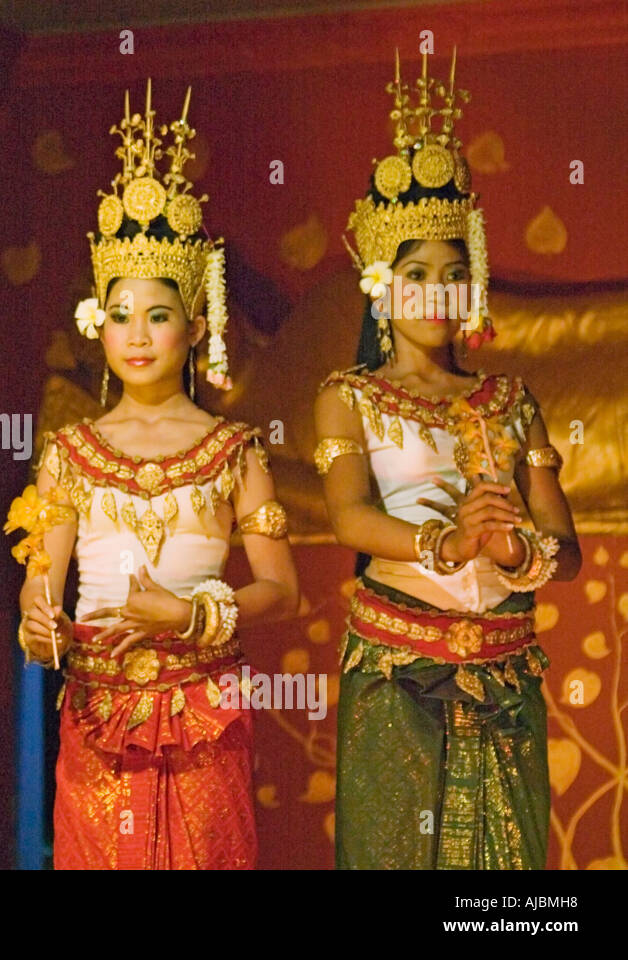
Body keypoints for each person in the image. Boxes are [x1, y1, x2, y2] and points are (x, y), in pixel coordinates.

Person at [18, 82, 299, 869]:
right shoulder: (68, 451)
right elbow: (44, 576)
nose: (136, 335)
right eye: (119, 315)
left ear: (197, 326)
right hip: (98, 704)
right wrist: (35, 621)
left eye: (158, 314)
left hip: (203, 701)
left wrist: (190, 616)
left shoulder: (234, 448)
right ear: (96, 325)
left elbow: (281, 589)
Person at [313, 51, 581, 869]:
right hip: (397, 667)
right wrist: (447, 544)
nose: (436, 293)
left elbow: (565, 552)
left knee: (506, 884)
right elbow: (349, 517)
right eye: (416, 274)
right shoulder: (349, 396)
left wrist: (514, 550)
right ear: (380, 286)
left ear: (474, 290)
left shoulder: (510, 398)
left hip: (506, 666)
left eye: (454, 276)